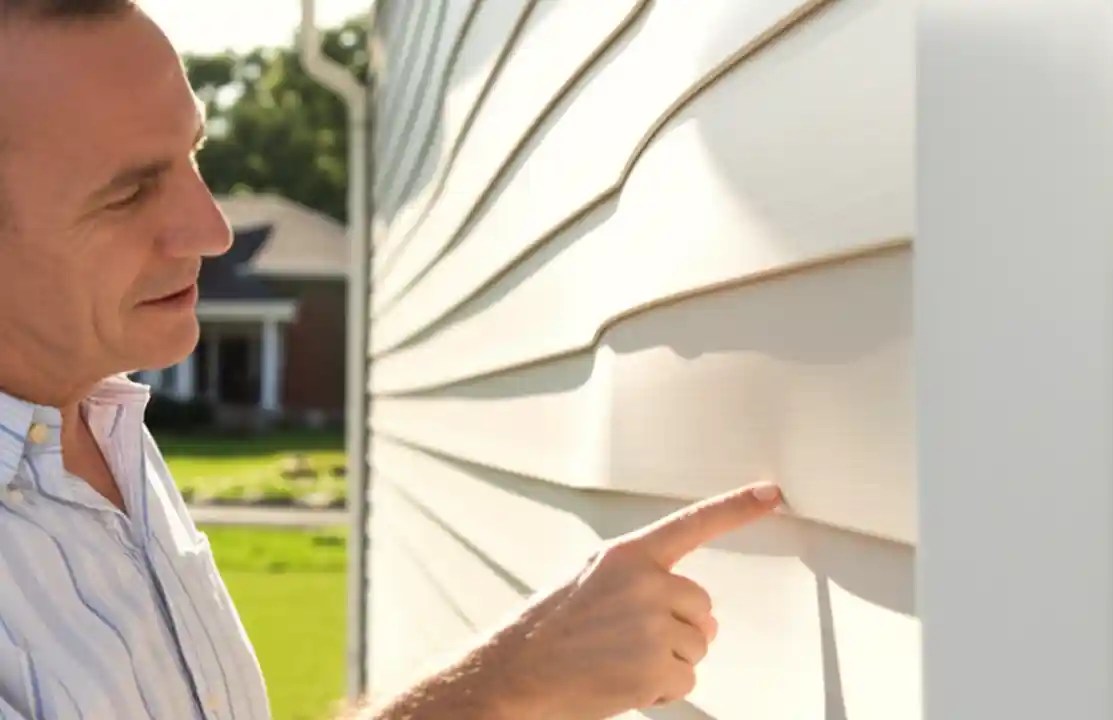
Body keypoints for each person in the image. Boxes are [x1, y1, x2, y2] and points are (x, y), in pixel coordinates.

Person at [0, 1, 784, 718]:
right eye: (128, 195)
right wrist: (517, 682)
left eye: (193, 156)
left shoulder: (103, 427)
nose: (212, 230)